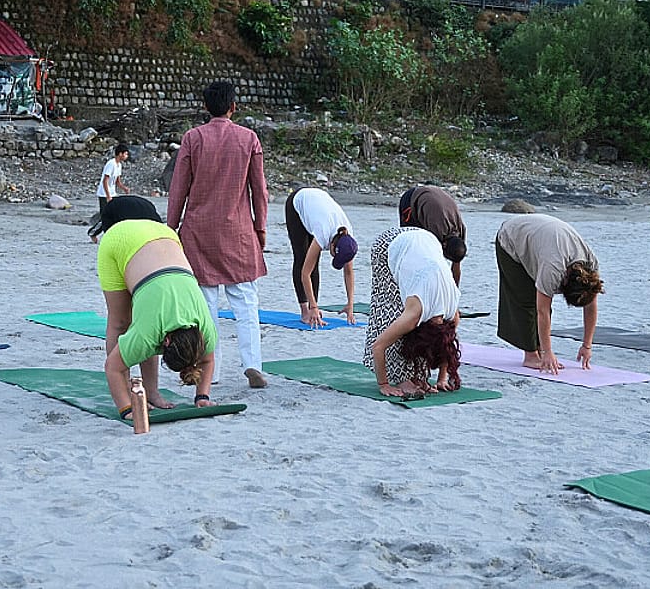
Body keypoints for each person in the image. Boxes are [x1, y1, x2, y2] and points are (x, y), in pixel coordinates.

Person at [167, 80, 270, 388]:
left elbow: (178, 190)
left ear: (205, 107)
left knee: (205, 309)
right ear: (233, 107)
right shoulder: (248, 138)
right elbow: (259, 192)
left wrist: (171, 229)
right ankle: (253, 364)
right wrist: (260, 228)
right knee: (246, 305)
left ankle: (211, 369)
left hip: (198, 235)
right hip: (238, 233)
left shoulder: (192, 138)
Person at [97, 218, 218, 418]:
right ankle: (129, 391)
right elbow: (112, 367)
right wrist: (127, 409)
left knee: (148, 335)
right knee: (120, 322)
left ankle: (151, 393)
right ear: (167, 341)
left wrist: (202, 397)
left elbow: (207, 361)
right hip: (121, 239)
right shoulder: (148, 333)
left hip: (165, 233)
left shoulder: (205, 332)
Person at [495, 213, 603, 375]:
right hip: (512, 237)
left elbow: (591, 306)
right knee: (526, 299)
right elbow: (542, 310)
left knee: (538, 296)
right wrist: (547, 353)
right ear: (564, 282)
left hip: (543, 236)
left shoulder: (590, 266)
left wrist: (587, 345)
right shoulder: (553, 268)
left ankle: (539, 348)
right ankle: (531, 356)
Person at [363, 227, 462, 398]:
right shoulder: (414, 315)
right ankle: (403, 378)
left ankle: (418, 377)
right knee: (390, 311)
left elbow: (447, 345)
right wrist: (384, 385)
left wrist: (442, 379)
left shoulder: (451, 315)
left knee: (427, 339)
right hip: (390, 244)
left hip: (427, 239)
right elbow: (378, 347)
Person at [285, 187, 359, 327]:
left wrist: (350, 304)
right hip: (298, 202)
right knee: (303, 258)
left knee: (314, 262)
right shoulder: (323, 232)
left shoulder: (348, 240)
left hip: (318, 206)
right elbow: (305, 274)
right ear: (332, 244)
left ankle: (314, 307)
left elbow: (349, 272)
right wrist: (312, 308)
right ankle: (305, 312)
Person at [398, 184, 468, 285]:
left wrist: (453, 295)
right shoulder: (434, 234)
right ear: (443, 245)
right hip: (412, 199)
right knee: (410, 247)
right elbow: (430, 262)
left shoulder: (460, 235)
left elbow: (456, 268)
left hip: (435, 197)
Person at [88, 143, 131, 242]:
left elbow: (117, 181)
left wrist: (124, 188)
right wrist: (108, 196)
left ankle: (110, 235)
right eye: (125, 154)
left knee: (113, 215)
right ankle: (93, 233)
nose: (126, 156)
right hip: (104, 194)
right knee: (105, 216)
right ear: (120, 154)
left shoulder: (119, 165)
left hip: (112, 194)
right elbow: (105, 181)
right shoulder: (111, 164)